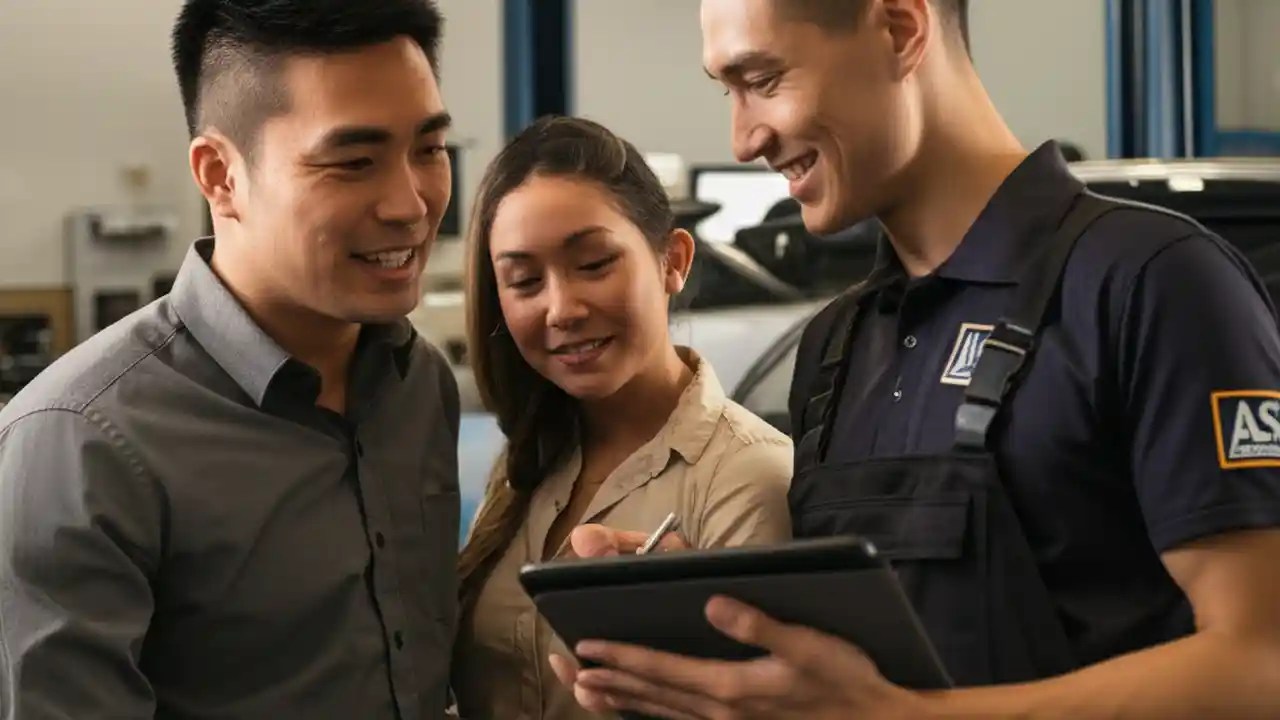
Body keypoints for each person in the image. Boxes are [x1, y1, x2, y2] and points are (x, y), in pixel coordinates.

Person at [551, 0, 1280, 717]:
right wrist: (715, 625)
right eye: (727, 89)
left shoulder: (1151, 283)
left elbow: (1260, 661)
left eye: (764, 80)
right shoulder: (838, 345)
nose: (744, 138)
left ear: (900, 30)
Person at [0, 1, 461, 717]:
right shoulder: (80, 442)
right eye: (353, 162)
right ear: (219, 174)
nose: (410, 203)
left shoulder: (418, 382)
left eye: (429, 151)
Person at [449, 115, 793, 720]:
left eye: (594, 264)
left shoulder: (745, 477)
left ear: (673, 261)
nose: (562, 309)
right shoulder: (528, 461)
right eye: (525, 280)